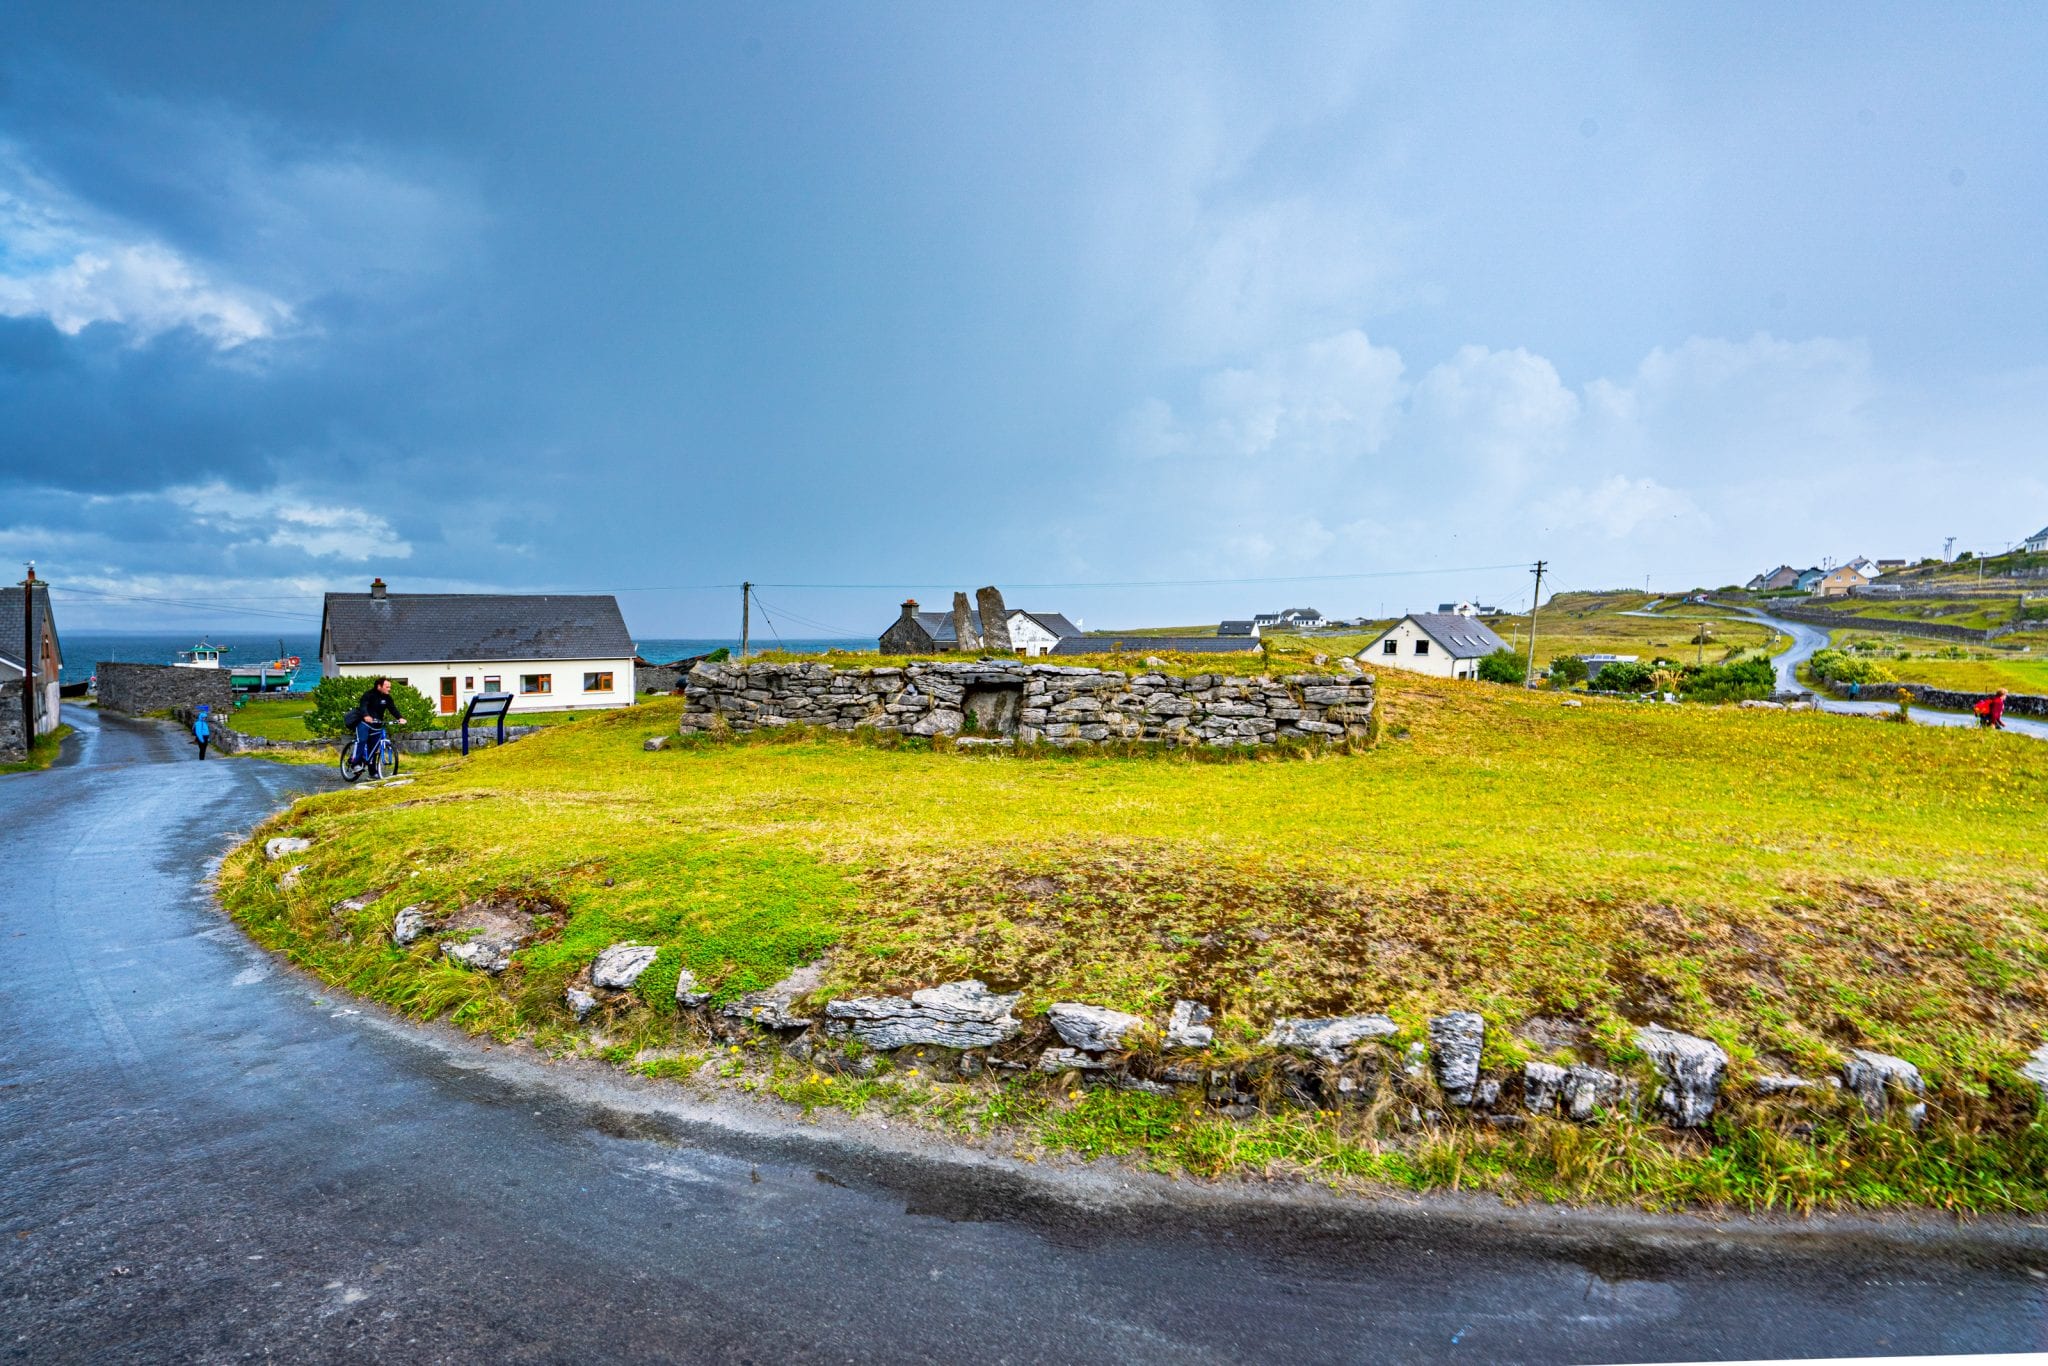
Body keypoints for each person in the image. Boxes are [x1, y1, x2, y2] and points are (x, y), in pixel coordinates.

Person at [351, 677, 408, 763]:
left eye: (390, 687)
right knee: (362, 740)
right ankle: (355, 764)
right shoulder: (368, 695)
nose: (389, 689)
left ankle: (373, 772)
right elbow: (363, 706)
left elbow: (393, 709)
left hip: (377, 725)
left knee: (374, 747)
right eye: (387, 687)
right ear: (379, 686)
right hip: (364, 723)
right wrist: (366, 715)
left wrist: (400, 718)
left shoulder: (387, 698)